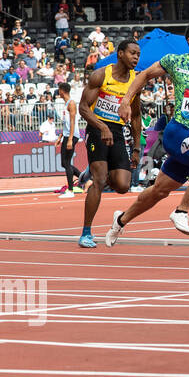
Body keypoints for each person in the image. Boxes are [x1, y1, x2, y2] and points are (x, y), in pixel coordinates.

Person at [106, 19, 189, 244]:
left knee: (159, 190)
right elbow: (144, 75)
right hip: (177, 131)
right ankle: (181, 211)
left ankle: (120, 221)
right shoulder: (175, 62)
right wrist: (126, 101)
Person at [76, 40, 142, 247]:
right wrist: (102, 127)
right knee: (99, 179)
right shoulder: (100, 75)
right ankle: (86, 233)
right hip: (96, 128)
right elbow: (84, 108)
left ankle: (94, 172)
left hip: (118, 130)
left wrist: (137, 147)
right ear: (120, 53)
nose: (136, 58)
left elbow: (137, 115)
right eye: (132, 53)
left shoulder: (135, 80)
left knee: (122, 185)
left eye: (138, 55)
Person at [56, 82, 80, 198]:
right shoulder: (66, 104)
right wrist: (60, 137)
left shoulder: (71, 104)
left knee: (66, 162)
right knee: (64, 163)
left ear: (62, 91)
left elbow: (72, 122)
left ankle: (70, 190)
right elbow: (65, 124)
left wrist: (70, 139)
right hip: (66, 135)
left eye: (59, 90)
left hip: (72, 136)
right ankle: (84, 179)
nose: (58, 92)